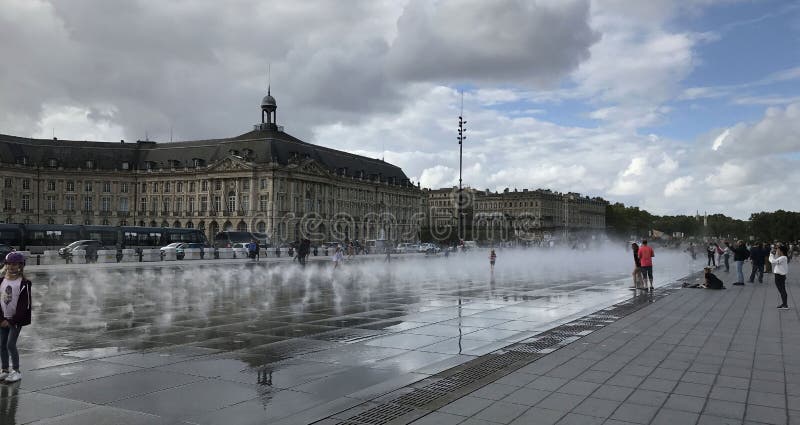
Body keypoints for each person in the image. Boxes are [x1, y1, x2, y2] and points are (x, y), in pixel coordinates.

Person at [0, 252, 32, 383]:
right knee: (1, 345)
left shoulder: (24, 283)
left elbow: (25, 305)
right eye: (9, 264)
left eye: (15, 264)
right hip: (2, 320)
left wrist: (12, 321)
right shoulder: (1, 281)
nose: (11, 266)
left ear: (21, 266)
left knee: (10, 344)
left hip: (15, 320)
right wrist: (1, 319)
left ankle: (16, 371)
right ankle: (5, 370)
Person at [769, 245, 789, 309]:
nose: (777, 251)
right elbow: (775, 260)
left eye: (778, 250)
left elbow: (773, 261)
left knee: (782, 290)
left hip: (779, 276)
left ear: (781, 251)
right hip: (780, 275)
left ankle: (785, 305)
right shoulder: (782, 257)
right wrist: (773, 255)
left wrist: (771, 254)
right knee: (782, 290)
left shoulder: (783, 258)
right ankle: (784, 304)